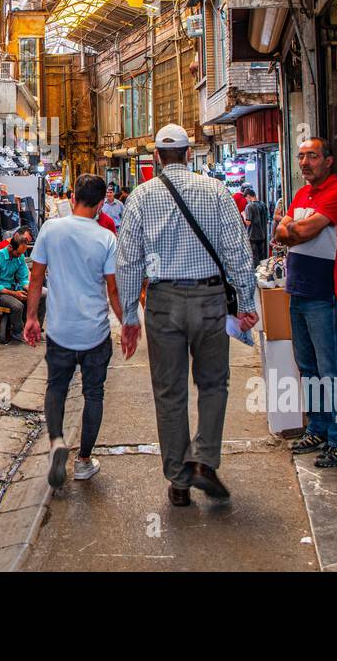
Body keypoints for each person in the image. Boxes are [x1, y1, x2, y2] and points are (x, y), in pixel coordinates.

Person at [116, 124, 258, 508]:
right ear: (189, 153)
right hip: (210, 299)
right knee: (214, 384)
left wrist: (129, 316)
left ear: (158, 158)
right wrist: (246, 302)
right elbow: (238, 250)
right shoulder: (216, 191)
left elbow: (128, 261)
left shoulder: (141, 197)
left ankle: (179, 481)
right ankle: (204, 460)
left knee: (169, 392)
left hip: (162, 302)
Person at [25, 173, 125, 487]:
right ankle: (83, 461)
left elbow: (36, 278)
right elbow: (113, 291)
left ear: (73, 199)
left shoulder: (50, 229)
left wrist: (31, 319)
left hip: (59, 330)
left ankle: (56, 443)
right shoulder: (106, 238)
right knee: (93, 394)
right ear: (99, 206)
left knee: (56, 388)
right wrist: (129, 323)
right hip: (95, 333)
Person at [271, 137, 337, 468]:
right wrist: (290, 228)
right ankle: (318, 428)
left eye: (313, 156)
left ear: (329, 161)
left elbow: (301, 230)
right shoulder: (301, 193)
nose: (305, 162)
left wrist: (292, 227)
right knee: (309, 369)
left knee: (333, 370)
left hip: (327, 294)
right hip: (299, 292)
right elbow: (282, 232)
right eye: (302, 156)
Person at [0, 231, 43, 343]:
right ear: (10, 247)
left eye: (22, 254)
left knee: (37, 295)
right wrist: (14, 293)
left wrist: (28, 288)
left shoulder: (19, 256)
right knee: (17, 306)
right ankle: (18, 332)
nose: (20, 256)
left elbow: (23, 278)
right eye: (18, 253)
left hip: (12, 287)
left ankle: (33, 327)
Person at [242, 185, 271, 264]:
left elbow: (248, 222)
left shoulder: (249, 206)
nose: (247, 200)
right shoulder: (263, 204)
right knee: (263, 257)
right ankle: (264, 272)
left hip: (253, 236)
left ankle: (257, 274)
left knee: (254, 257)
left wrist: (243, 215)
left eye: (246, 198)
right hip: (262, 235)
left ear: (248, 196)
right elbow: (268, 220)